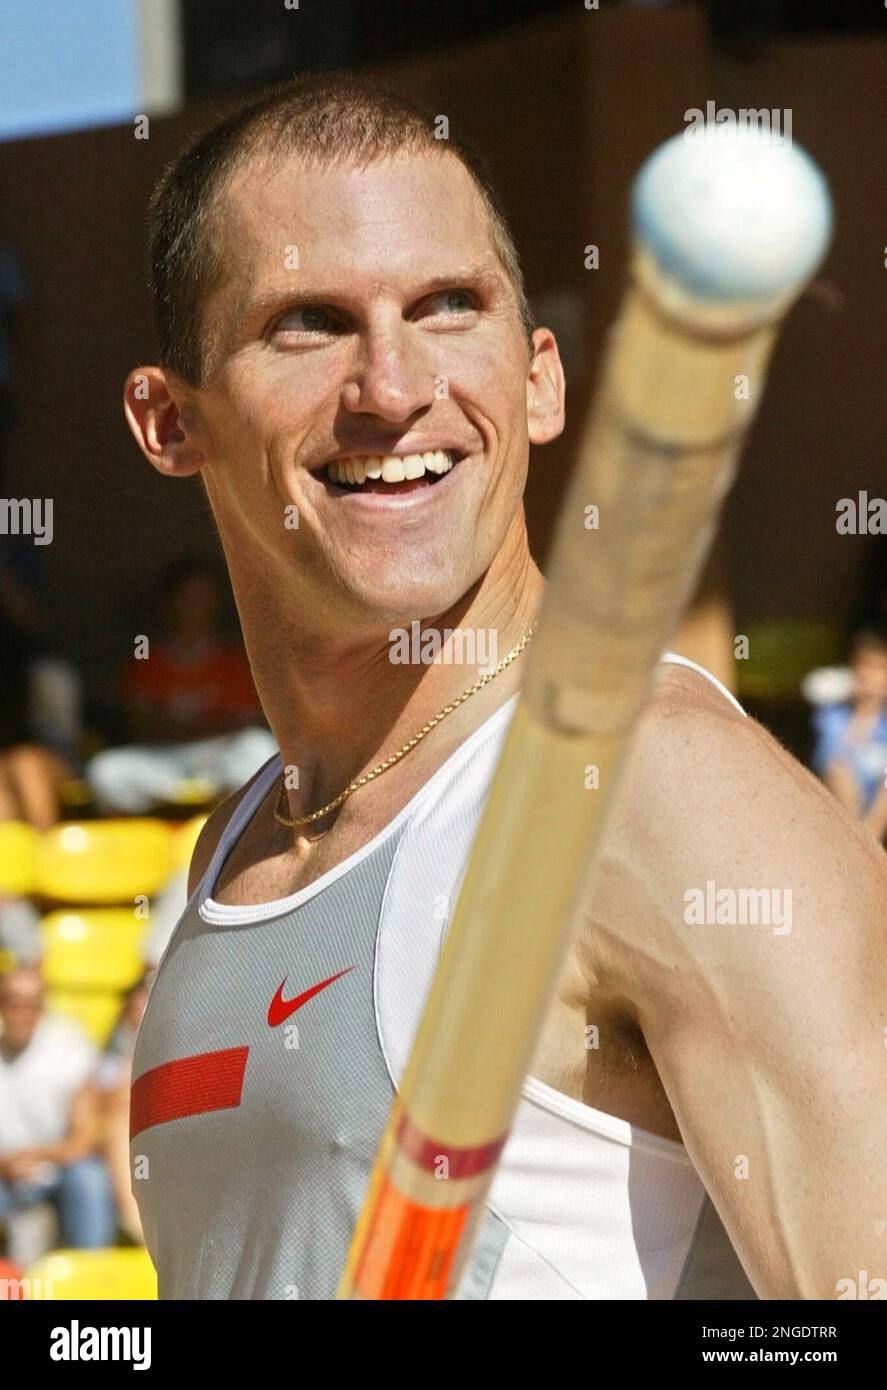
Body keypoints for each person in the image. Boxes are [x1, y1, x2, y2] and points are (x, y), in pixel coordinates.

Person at [124, 77, 886, 1300]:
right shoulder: (239, 840)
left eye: (446, 306)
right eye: (308, 323)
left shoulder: (655, 789)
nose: (391, 386)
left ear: (538, 381)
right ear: (171, 422)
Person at [87, 557, 277, 812]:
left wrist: (181, 725)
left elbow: (245, 723)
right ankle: (174, 814)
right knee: (106, 771)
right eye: (188, 597)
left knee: (260, 747)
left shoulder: (233, 659)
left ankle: (221, 813)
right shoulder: (146, 659)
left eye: (205, 597)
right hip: (163, 760)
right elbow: (140, 725)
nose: (197, 607)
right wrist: (207, 725)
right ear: (169, 602)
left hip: (219, 759)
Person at [0, 968, 115, 1260]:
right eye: (14, 1001)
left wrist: (34, 1157)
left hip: (56, 1169)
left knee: (89, 1178)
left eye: (33, 1003)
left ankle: (91, 1277)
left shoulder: (68, 1047)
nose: (24, 1013)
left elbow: (84, 1139)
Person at [812, 629, 887, 845]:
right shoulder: (833, 716)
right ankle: (862, 844)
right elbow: (827, 757)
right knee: (840, 770)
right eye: (863, 667)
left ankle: (867, 842)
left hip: (876, 811)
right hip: (840, 802)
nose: (868, 675)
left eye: (877, 669)